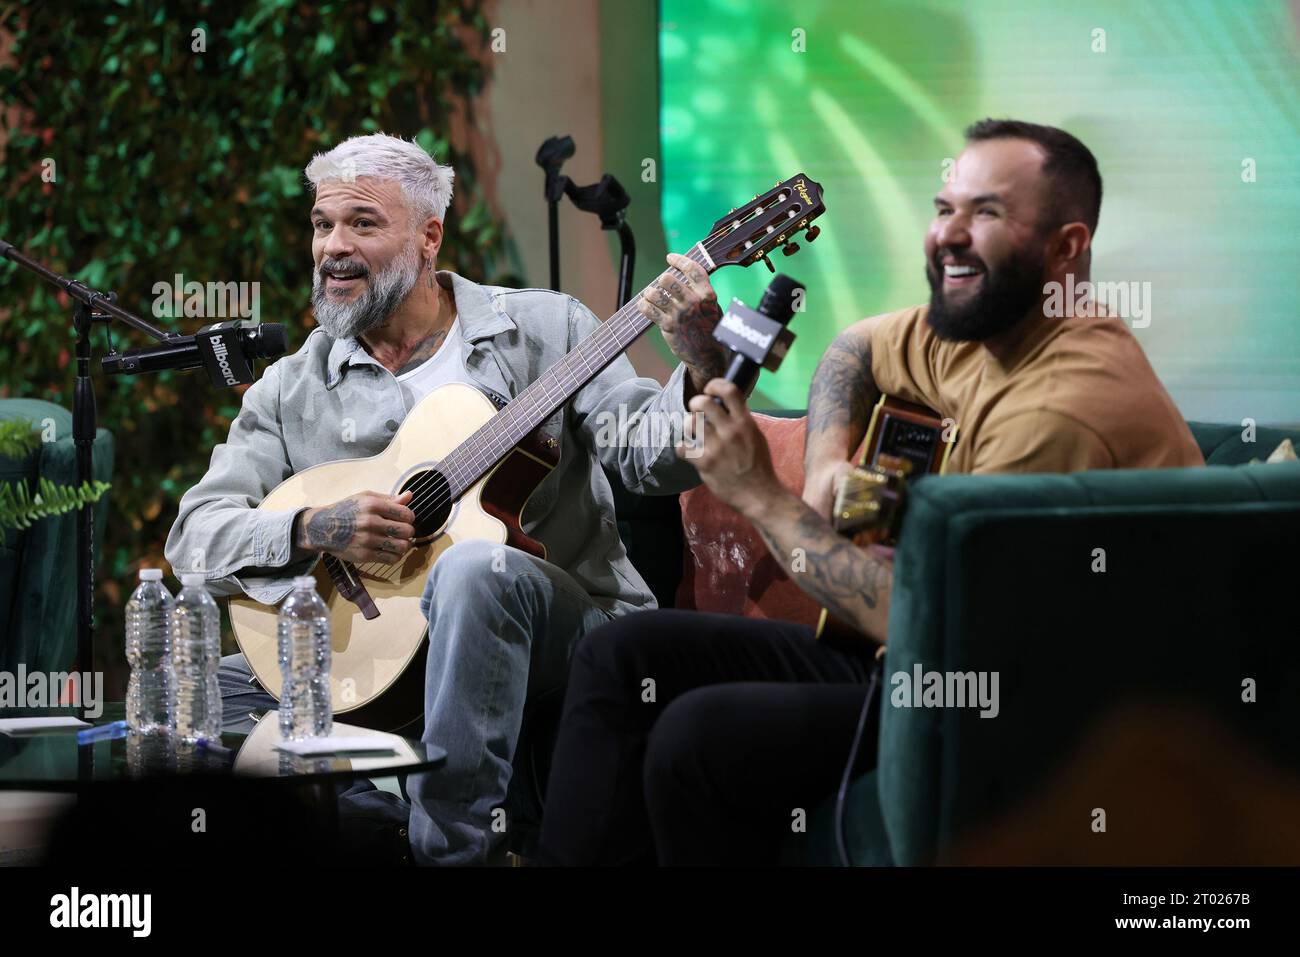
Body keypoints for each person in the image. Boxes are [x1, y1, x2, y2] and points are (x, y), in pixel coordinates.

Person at [538, 118, 1204, 866]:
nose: (947, 234)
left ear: (1066, 248)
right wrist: (824, 467)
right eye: (943, 207)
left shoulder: (1062, 410)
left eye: (985, 213)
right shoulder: (992, 330)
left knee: (697, 739)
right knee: (624, 656)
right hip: (931, 653)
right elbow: (857, 345)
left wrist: (762, 492)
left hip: (1015, 703)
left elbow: (920, 621)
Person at [164, 133, 729, 865]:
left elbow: (649, 457)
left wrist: (704, 364)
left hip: (567, 619)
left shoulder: (545, 329)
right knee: (194, 696)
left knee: (475, 571)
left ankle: (452, 855)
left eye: (362, 223)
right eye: (321, 224)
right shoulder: (292, 387)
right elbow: (194, 540)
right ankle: (372, 816)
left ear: (428, 236)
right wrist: (312, 526)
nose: (333, 246)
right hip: (385, 642)